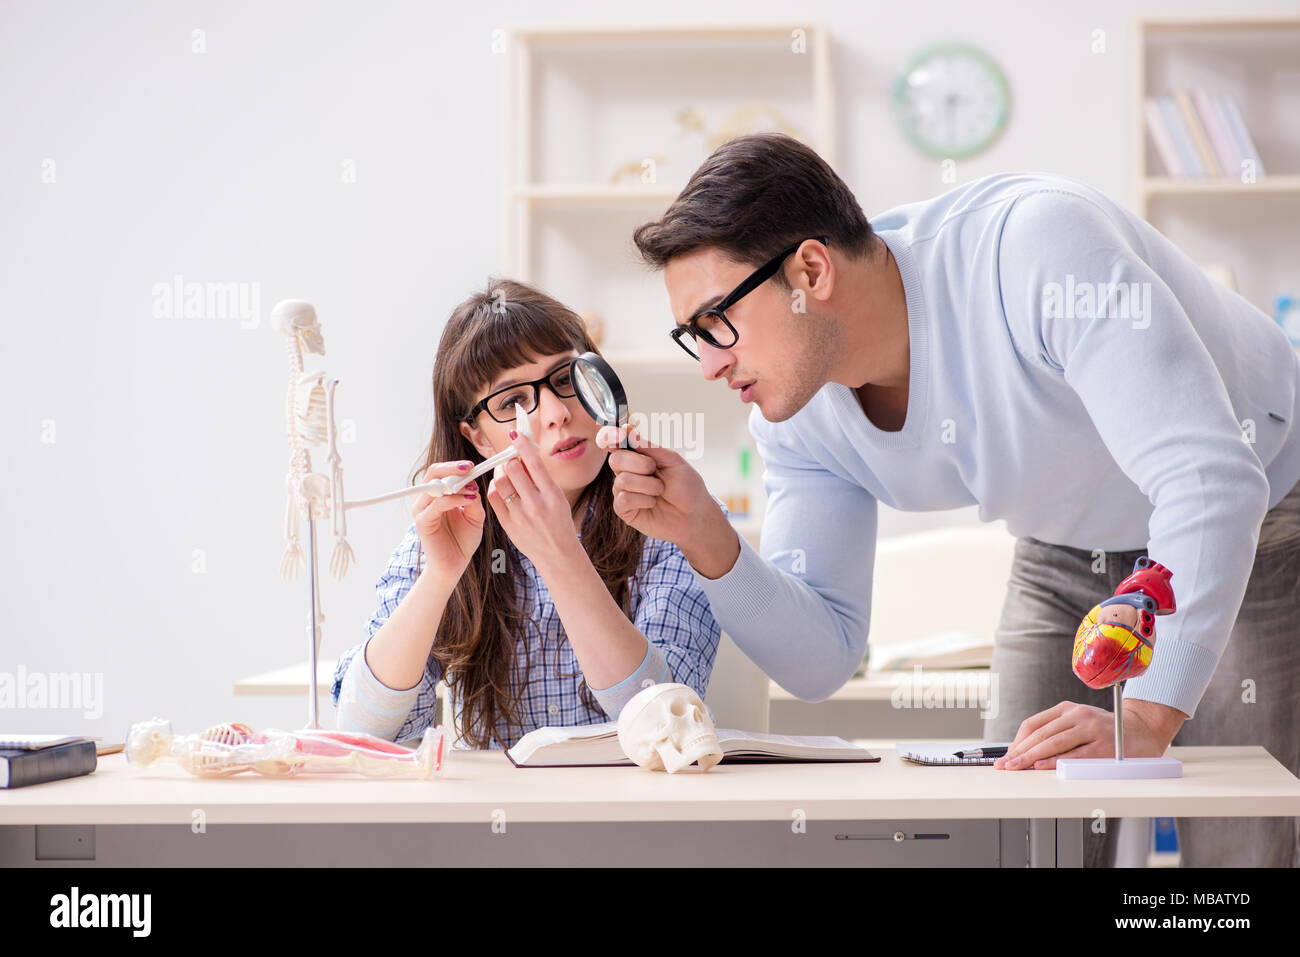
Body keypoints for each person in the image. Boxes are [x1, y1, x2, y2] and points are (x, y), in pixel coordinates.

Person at [598, 132, 1300, 867]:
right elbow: (819, 660)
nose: (709, 364)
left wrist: (1151, 716)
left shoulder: (1039, 249)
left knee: (1235, 845)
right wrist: (707, 535)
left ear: (811, 268)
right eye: (692, 337)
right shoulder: (795, 418)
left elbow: (1209, 478)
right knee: (1019, 834)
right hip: (1064, 546)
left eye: (717, 321)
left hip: (1255, 510)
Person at [331, 278, 721, 750]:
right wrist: (440, 576)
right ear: (477, 439)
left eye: (564, 379)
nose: (556, 412)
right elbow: (362, 732)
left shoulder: (674, 520)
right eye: (513, 401)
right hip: (498, 820)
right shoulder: (448, 536)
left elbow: (668, 723)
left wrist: (559, 555)